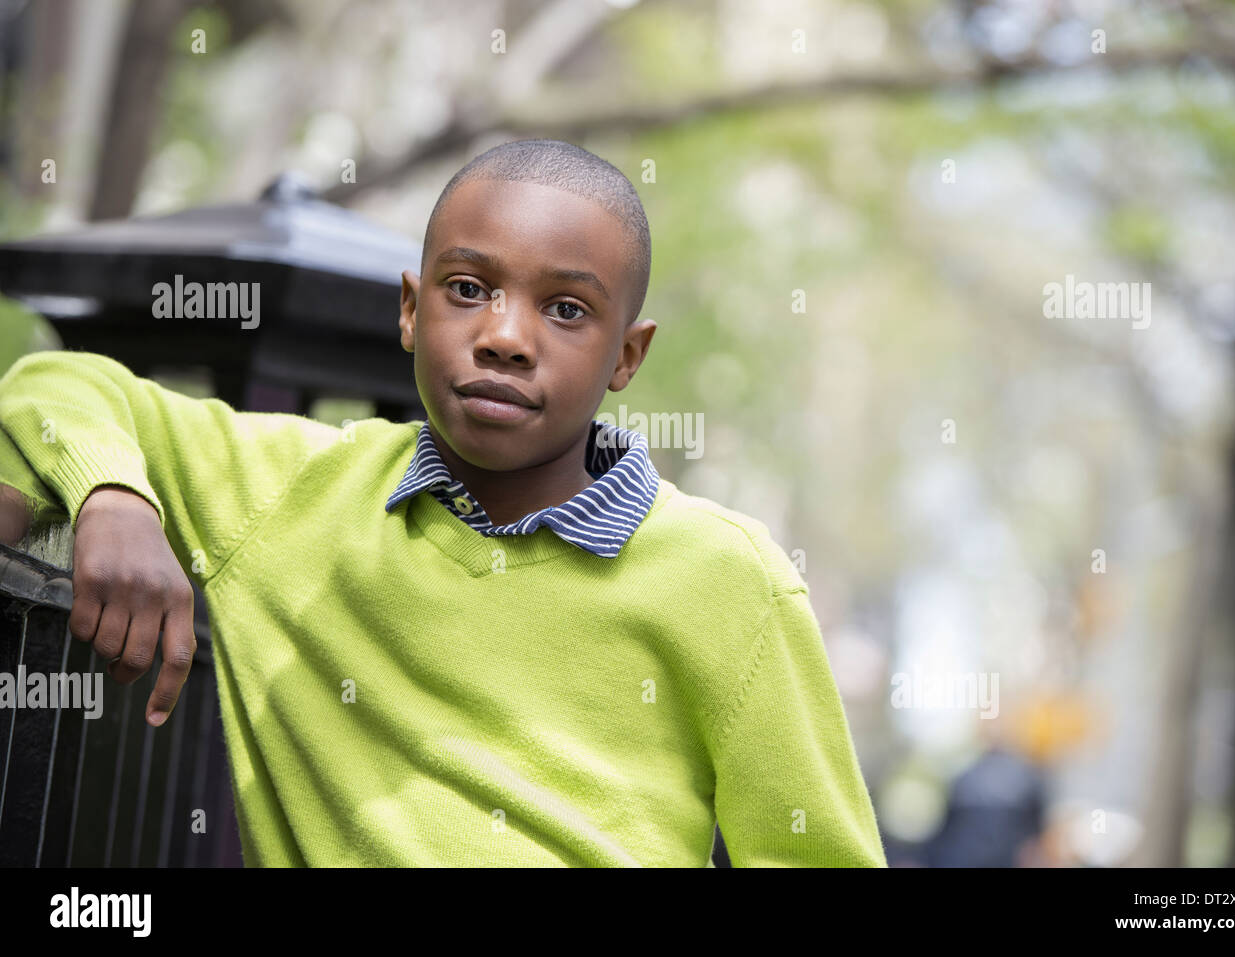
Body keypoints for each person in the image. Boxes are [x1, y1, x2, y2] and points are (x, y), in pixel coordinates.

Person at [0, 138, 887, 867]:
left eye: (568, 309)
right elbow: (57, 382)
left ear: (628, 356)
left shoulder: (729, 578)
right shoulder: (293, 493)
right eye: (469, 291)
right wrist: (112, 496)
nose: (505, 336)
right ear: (411, 312)